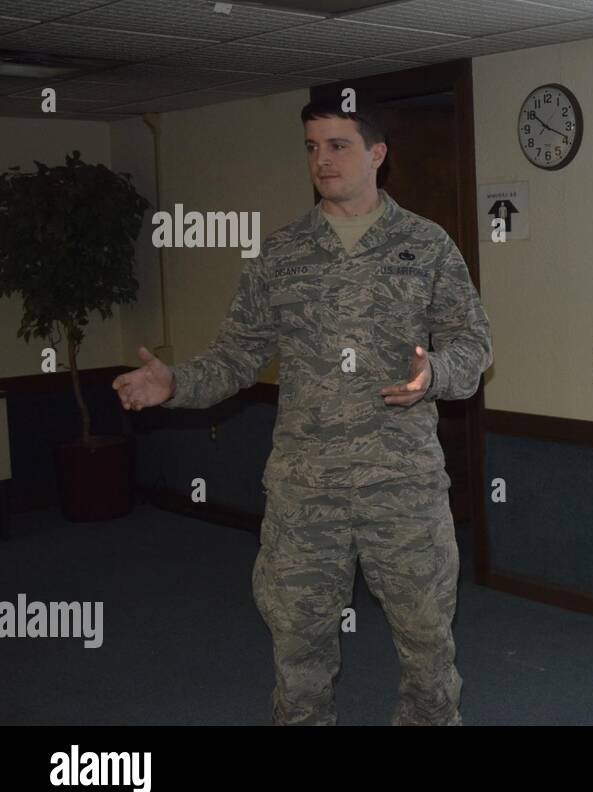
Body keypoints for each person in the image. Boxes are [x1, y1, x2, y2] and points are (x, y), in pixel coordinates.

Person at [112, 101, 491, 725]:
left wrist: (435, 376)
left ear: (377, 154)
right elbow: (236, 356)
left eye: (338, 145)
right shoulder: (282, 254)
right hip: (304, 490)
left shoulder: (427, 245)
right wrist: (174, 382)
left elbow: (474, 344)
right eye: (312, 147)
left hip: (402, 484)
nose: (322, 159)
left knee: (427, 644)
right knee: (297, 646)